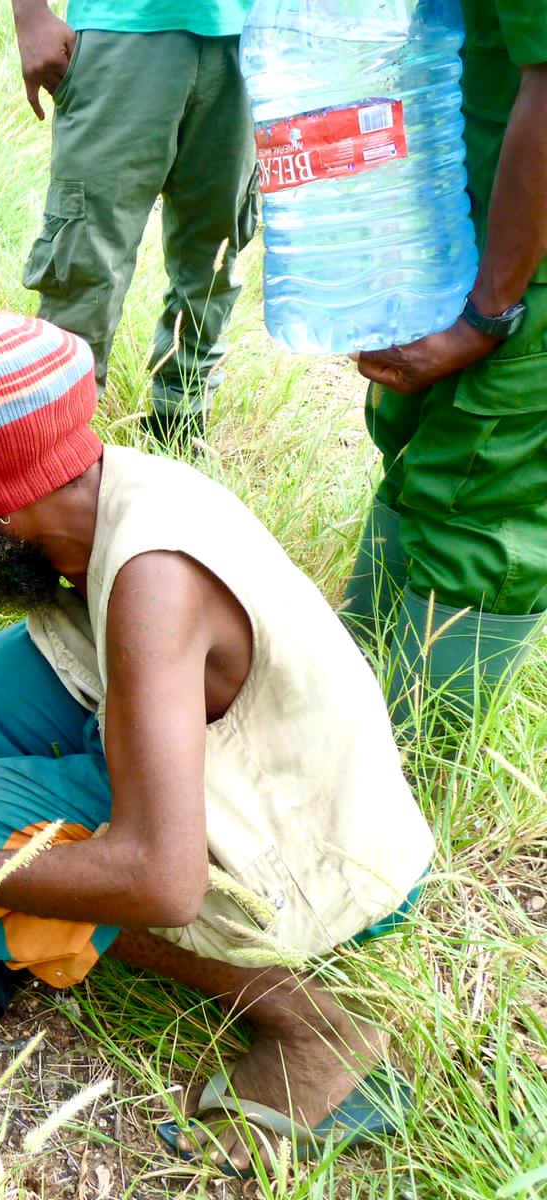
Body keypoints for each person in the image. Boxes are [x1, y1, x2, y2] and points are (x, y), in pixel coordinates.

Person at [0, 310, 433, 1175]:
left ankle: (314, 1029)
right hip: (282, 781)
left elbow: (163, 880)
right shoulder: (103, 493)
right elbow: (79, 641)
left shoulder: (154, 582)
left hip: (328, 862)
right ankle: (59, 875)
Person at [349, 2, 547, 725]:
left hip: (522, 272)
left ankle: (416, 765)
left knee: (482, 505)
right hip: (455, 234)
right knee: (419, 462)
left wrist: (490, 310)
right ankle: (354, 715)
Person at [13, 0, 259, 446]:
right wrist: (29, 14)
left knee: (218, 247)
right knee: (84, 250)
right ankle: (56, 453)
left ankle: (180, 427)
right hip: (121, 27)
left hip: (247, 30)